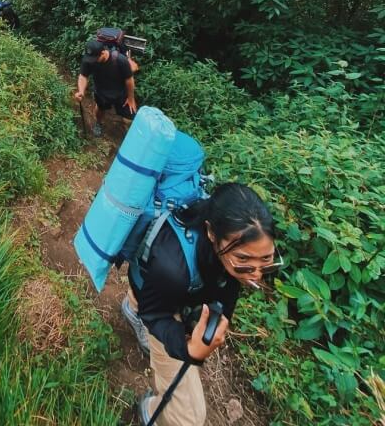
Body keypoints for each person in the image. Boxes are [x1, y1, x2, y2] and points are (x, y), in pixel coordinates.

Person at [122, 183, 279, 426]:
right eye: (244, 260)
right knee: (189, 419)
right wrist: (187, 349)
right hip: (156, 293)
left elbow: (227, 285)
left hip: (163, 287)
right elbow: (155, 315)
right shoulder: (172, 267)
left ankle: (133, 304)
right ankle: (149, 412)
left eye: (266, 259)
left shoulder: (231, 247)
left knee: (158, 291)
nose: (256, 274)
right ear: (211, 233)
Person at [74, 38, 138, 137]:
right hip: (101, 91)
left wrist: (131, 98)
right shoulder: (89, 60)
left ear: (103, 53)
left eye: (96, 59)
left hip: (121, 93)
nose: (92, 62)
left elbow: (129, 80)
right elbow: (83, 76)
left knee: (130, 117)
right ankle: (98, 123)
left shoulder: (120, 60)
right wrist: (81, 91)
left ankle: (130, 135)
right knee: (100, 109)